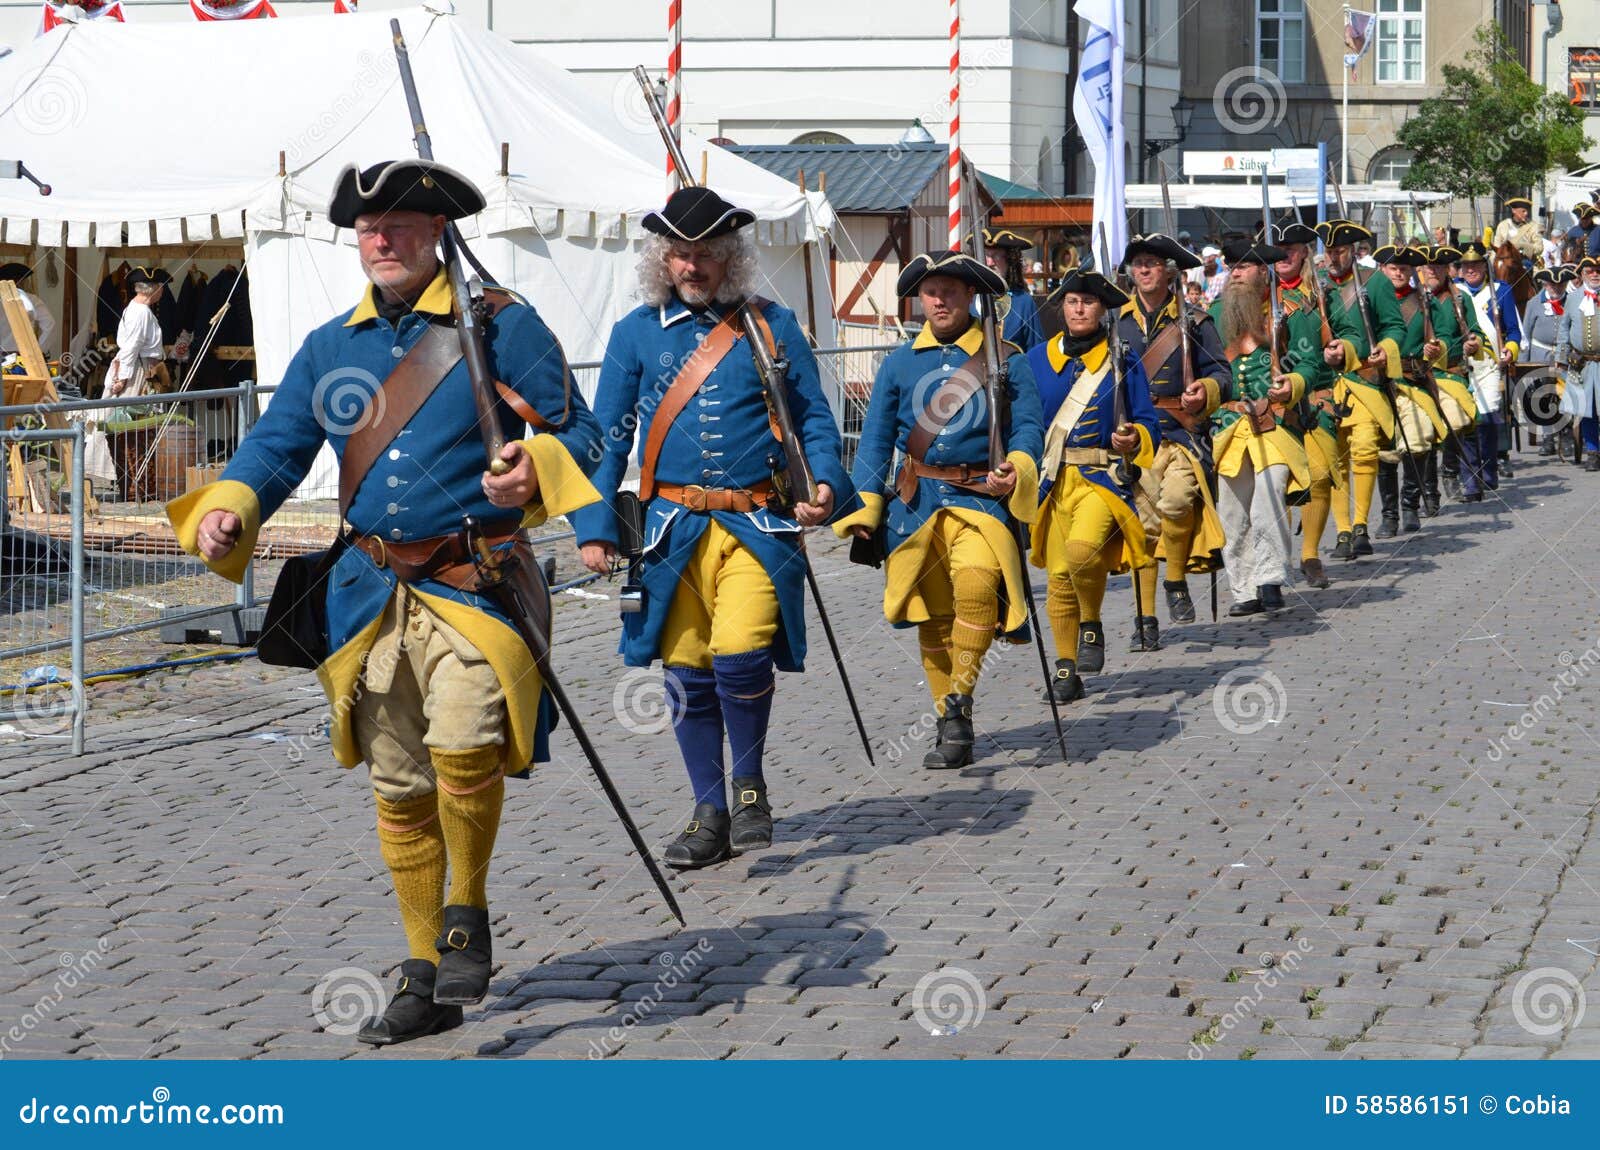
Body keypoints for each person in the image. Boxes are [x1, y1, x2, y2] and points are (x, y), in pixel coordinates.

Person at [166, 159, 604, 1045]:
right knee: (400, 785)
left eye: (400, 223)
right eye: (368, 227)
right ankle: (421, 972)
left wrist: (537, 470)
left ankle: (466, 914)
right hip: (367, 596)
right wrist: (228, 507)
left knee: (466, 734)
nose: (380, 239)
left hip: (474, 585)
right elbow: (277, 446)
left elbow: (585, 433)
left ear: (438, 232)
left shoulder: (500, 328)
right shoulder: (334, 347)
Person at [573, 186, 850, 867]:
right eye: (678, 255)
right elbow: (610, 437)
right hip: (670, 529)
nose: (691, 267)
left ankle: (750, 781)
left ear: (729, 258)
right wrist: (593, 524)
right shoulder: (634, 334)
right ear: (661, 262)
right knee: (686, 669)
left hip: (758, 522)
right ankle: (709, 808)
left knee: (741, 651)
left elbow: (813, 416)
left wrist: (825, 485)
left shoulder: (773, 325)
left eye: (704, 254)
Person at [832, 250, 1043, 770]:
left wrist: (1016, 464)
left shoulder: (1006, 356)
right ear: (920, 298)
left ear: (970, 295)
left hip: (979, 500)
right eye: (931, 291)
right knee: (933, 614)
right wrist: (862, 507)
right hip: (916, 504)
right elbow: (877, 440)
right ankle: (949, 717)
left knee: (976, 585)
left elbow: (1030, 427)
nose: (940, 299)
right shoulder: (901, 361)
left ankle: (959, 702)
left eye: (950, 289)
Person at [1029, 268, 1159, 698]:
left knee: (1083, 553)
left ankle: (1091, 620)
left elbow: (1148, 423)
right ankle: (1066, 669)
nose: (1078, 308)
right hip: (1052, 482)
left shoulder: (1122, 357)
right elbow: (1025, 425)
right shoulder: (1035, 360)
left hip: (1101, 479)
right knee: (1060, 575)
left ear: (1102, 309)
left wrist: (1132, 437)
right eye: (1070, 301)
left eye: (1087, 301)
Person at [1115, 233, 1228, 646]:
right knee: (1142, 529)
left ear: (1168, 272)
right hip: (1135, 435)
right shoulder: (1116, 322)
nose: (1144, 270)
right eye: (1138, 263)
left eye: (1152, 263)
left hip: (1180, 430)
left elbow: (1222, 374)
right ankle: (1145, 621)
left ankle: (1175, 579)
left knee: (1178, 501)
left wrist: (1206, 392)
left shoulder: (1195, 320)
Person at [1208, 238, 1315, 615]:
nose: (1236, 272)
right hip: (1230, 426)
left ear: (1262, 271)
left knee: (1268, 502)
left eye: (1245, 266)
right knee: (1233, 515)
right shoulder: (1214, 313)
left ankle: (1270, 579)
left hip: (1276, 424)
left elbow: (1310, 364)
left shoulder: (1288, 310)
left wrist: (1293, 384)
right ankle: (1244, 590)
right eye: (1231, 265)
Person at [1264, 221, 1343, 588]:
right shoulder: (1258, 295)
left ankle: (1310, 555)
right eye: (1278, 250)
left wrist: (1340, 348)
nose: (1284, 256)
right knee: (1278, 482)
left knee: (1321, 475)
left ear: (1304, 253)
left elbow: (1349, 332)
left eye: (1292, 249)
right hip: (1274, 398)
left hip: (1318, 395)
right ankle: (1273, 559)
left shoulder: (1323, 293)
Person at [1318, 220, 1401, 560]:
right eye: (1328, 251)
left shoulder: (1375, 282)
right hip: (1327, 383)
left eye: (1338, 251)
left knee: (1365, 450)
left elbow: (1394, 325)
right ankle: (1341, 531)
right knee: (1334, 459)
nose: (1332, 257)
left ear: (1352, 251)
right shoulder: (1316, 286)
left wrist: (1386, 348)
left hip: (1364, 378)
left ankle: (1362, 524)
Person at [1366, 244, 1448, 534]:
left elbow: (1444, 339)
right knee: (1384, 449)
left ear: (1412, 270)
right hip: (1378, 382)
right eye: (1392, 267)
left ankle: (1410, 505)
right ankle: (1389, 515)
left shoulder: (1425, 302)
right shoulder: (1368, 302)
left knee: (1417, 440)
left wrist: (1435, 348)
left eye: (1403, 268)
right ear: (1382, 270)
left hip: (1413, 382)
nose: (1398, 272)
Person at [1421, 245, 1487, 505]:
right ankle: (1429, 491)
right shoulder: (1414, 297)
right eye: (1428, 267)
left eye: (1438, 267)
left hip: (1452, 373)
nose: (1432, 271)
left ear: (1448, 269)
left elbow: (1476, 334)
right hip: (1421, 375)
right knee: (1424, 434)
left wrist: (1474, 343)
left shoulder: (1461, 299)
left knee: (1457, 421)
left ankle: (1449, 470)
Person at [1457, 241, 1521, 497]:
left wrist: (1510, 351)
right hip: (1460, 365)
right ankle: (1470, 481)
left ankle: (1488, 472)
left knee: (1487, 419)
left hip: (1490, 363)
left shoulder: (1500, 291)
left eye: (1475, 265)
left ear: (1484, 266)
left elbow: (1514, 331)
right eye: (1466, 265)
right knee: (1465, 421)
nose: (1470, 270)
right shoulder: (1454, 291)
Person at [104, 267, 171, 411]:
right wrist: (122, 379)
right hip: (139, 371)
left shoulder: (136, 308)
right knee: (133, 421)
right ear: (154, 289)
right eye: (161, 287)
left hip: (142, 367)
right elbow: (131, 347)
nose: (163, 291)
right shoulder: (141, 312)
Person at [1556, 257, 1600, 471]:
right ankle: (1593, 452)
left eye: (1598, 270)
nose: (1594, 274)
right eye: (1589, 271)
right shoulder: (1573, 299)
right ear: (1582, 275)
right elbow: (1564, 328)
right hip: (1581, 363)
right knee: (1586, 409)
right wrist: (1562, 358)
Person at [1520, 268, 1567, 458]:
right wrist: (1523, 365)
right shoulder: (1533, 303)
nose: (1556, 287)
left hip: (1564, 355)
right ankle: (1548, 438)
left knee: (1566, 393)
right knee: (1544, 396)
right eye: (1552, 284)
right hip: (1540, 354)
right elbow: (1525, 335)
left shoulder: (1572, 302)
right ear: (1545, 284)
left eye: (1560, 284)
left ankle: (1566, 434)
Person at [981, 227, 1044, 351]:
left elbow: (1036, 351)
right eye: (985, 255)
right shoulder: (967, 299)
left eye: (996, 256)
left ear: (1010, 261)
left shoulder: (1023, 302)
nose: (989, 263)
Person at [0, 262, 56, 359]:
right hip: (25, 357)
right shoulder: (32, 300)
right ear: (20, 281)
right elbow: (50, 325)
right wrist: (39, 350)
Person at [1492, 198, 1544, 266]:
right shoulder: (1503, 225)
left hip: (1527, 263)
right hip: (1505, 263)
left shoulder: (1534, 226)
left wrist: (1523, 246)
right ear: (1514, 210)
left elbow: (1539, 248)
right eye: (1523, 211)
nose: (1526, 213)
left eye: (1527, 211)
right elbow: (1497, 246)